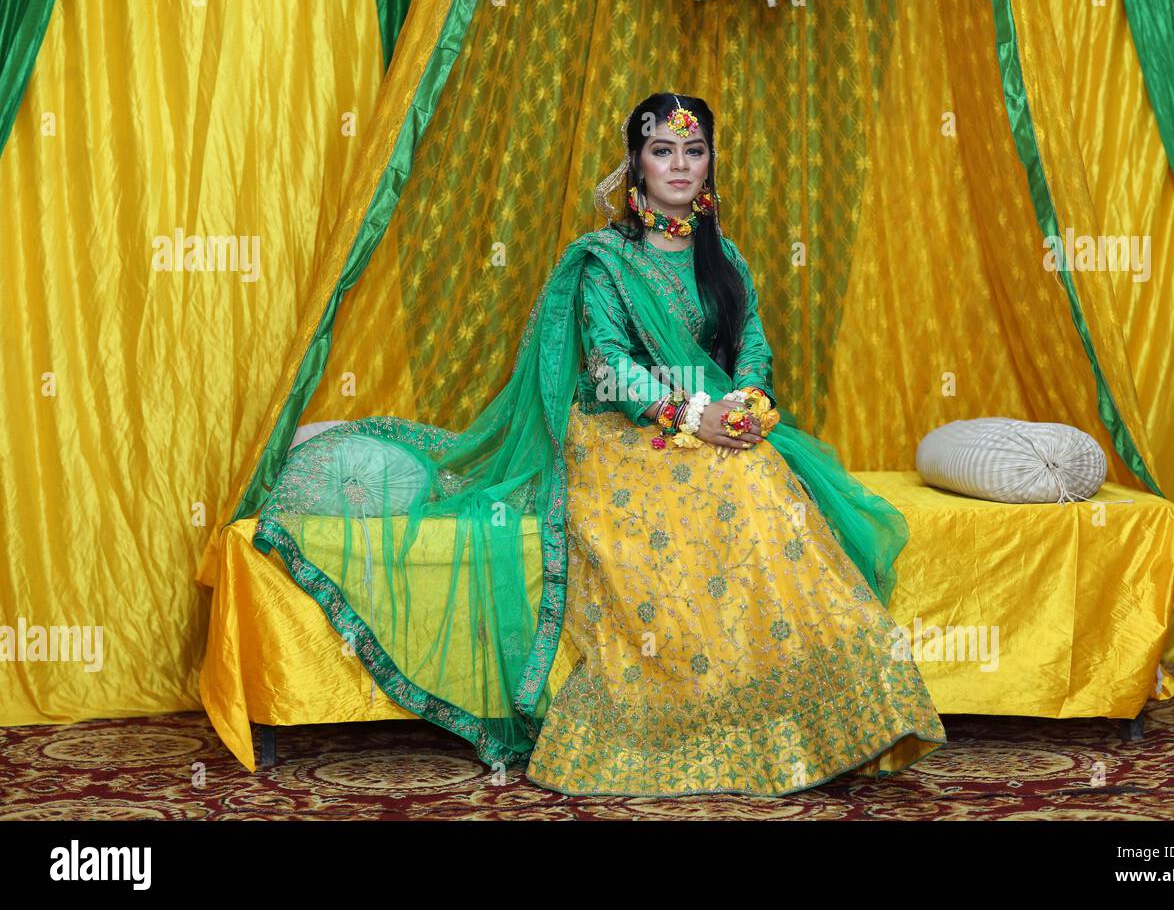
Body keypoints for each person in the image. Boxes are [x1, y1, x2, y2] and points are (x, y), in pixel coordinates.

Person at [253, 92, 947, 798]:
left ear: (711, 163)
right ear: (635, 164)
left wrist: (746, 404)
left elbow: (754, 349)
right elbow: (609, 369)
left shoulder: (722, 253)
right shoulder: (603, 260)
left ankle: (837, 713)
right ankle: (687, 728)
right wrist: (689, 414)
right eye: (662, 150)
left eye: (694, 150)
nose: (680, 165)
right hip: (621, 433)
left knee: (761, 472)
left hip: (713, 426)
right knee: (736, 481)